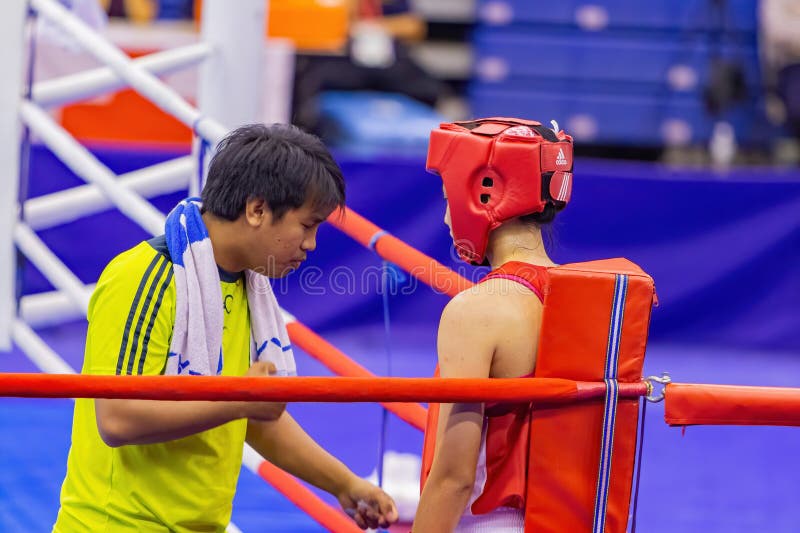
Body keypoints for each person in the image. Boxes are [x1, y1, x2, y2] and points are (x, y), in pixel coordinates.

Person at [53, 123, 398, 532]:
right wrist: (239, 400)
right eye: (307, 225)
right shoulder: (143, 277)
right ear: (257, 210)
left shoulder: (247, 282)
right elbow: (116, 419)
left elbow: (252, 415)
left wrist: (344, 484)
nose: (312, 244)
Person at [413, 118, 574, 532]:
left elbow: (455, 477)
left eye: (449, 197)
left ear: (486, 191)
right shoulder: (586, 299)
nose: (447, 217)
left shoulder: (476, 311)